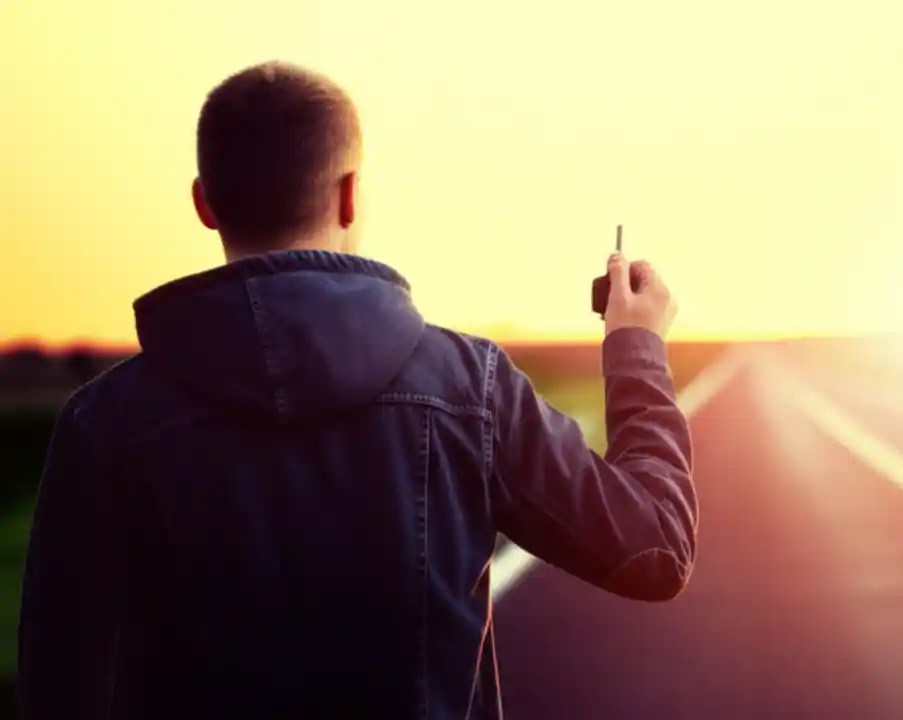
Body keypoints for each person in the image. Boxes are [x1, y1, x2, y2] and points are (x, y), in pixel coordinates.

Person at [18, 61, 696, 720]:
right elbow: (654, 549)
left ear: (204, 202)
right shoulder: (471, 388)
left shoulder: (104, 425)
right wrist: (635, 346)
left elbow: (59, 688)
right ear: (348, 195)